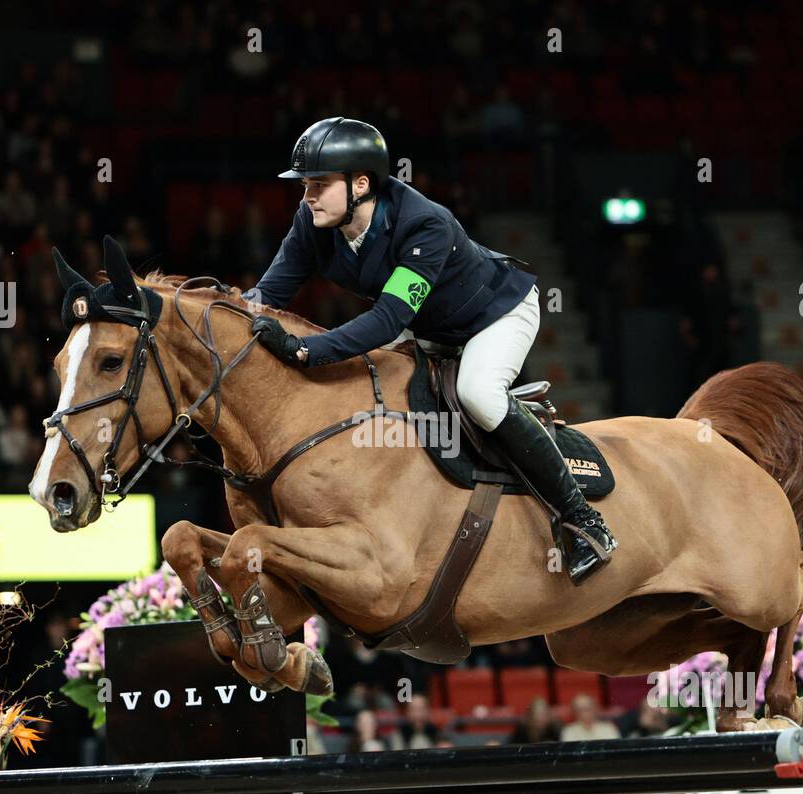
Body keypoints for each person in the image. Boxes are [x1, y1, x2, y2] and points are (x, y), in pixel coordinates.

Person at [243, 117, 616, 584]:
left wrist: (304, 350)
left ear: (361, 184)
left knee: (478, 393)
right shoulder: (312, 221)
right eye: (305, 186)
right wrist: (223, 321)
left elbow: (386, 321)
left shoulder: (424, 224)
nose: (307, 197)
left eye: (318, 184)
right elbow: (266, 295)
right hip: (427, 325)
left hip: (495, 316)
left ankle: (582, 521)